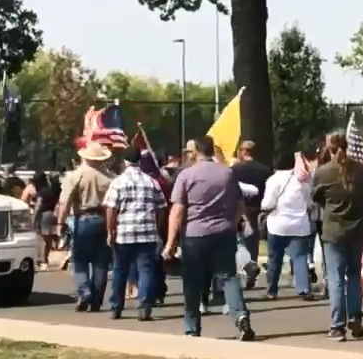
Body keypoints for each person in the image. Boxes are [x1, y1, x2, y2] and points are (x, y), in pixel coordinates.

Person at [163, 136, 255, 340]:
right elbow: (240, 205)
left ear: (196, 152)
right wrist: (231, 223)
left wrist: (170, 243)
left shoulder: (186, 175)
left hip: (194, 234)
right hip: (223, 232)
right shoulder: (226, 173)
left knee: (192, 281)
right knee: (228, 276)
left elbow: (177, 211)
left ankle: (192, 326)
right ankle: (240, 315)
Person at [312, 132, 363, 339]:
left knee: (336, 278)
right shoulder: (361, 171)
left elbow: (316, 197)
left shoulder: (323, 172)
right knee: (354, 275)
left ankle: (337, 325)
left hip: (334, 229)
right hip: (357, 227)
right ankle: (355, 316)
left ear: (327, 148)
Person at [104, 147, 165, 320]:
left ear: (125, 161)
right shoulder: (151, 182)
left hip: (124, 233)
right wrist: (157, 227)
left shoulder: (118, 182)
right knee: (146, 270)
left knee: (120, 270)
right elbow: (162, 208)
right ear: (139, 160)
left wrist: (110, 231)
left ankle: (116, 307)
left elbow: (111, 209)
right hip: (147, 233)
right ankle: (144, 307)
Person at [56, 141, 116, 312]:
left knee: (80, 260)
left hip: (83, 218)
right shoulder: (111, 178)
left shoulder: (75, 176)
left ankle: (84, 291)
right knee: (100, 262)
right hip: (104, 219)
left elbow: (65, 201)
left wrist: (60, 222)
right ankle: (96, 299)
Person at [260, 153, 314, 301]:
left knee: (274, 258)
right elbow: (309, 202)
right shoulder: (303, 180)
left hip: (277, 224)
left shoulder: (273, 180)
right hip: (300, 225)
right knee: (300, 257)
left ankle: (272, 290)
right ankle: (304, 289)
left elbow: (267, 203)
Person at [231, 140, 271, 287]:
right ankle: (251, 272)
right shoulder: (265, 170)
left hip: (237, 210)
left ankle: (243, 271)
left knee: (238, 243)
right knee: (252, 242)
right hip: (256, 209)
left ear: (242, 151)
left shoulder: (233, 170)